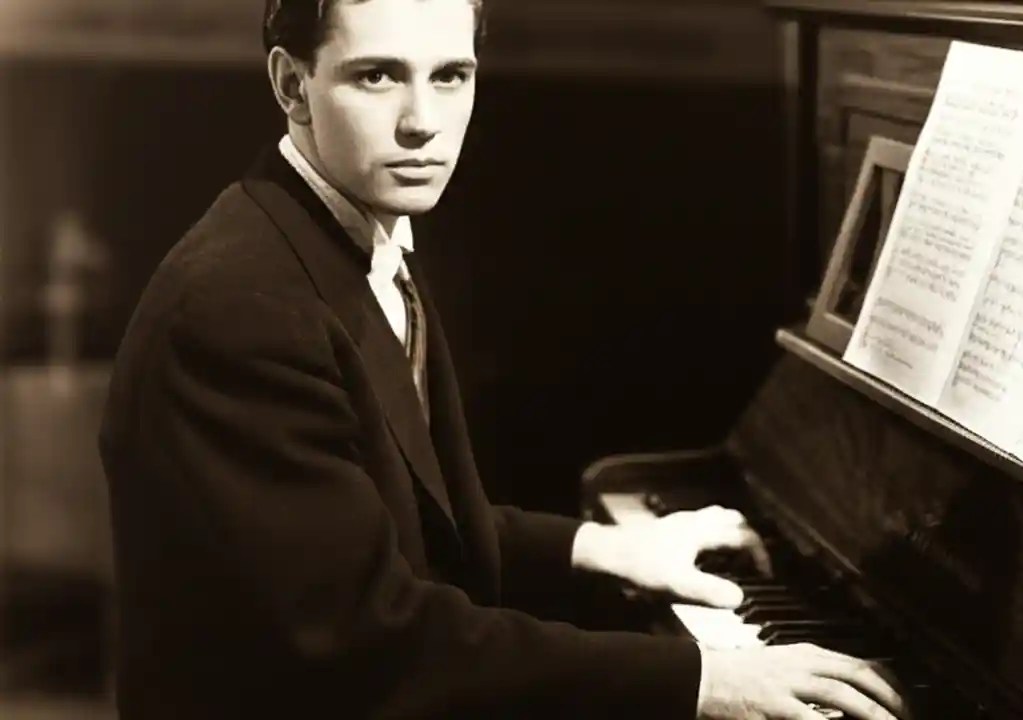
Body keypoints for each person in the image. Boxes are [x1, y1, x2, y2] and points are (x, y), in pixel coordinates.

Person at [97, 0, 903, 717]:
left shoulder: (343, 237)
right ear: (291, 83)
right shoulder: (239, 313)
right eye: (377, 77)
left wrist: (610, 548)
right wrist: (707, 679)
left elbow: (409, 526)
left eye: (451, 76)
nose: (423, 121)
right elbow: (371, 643)